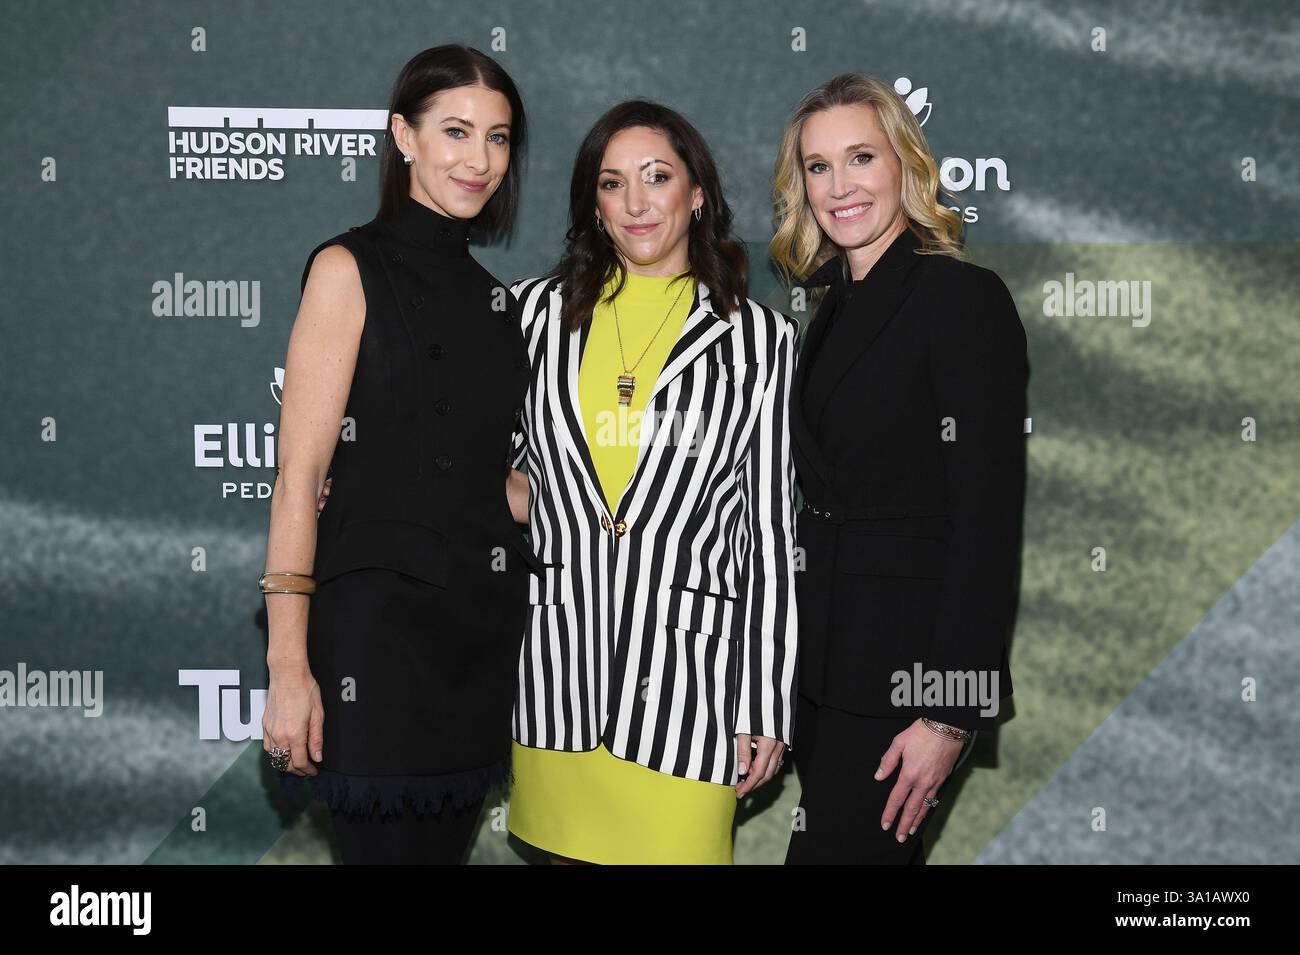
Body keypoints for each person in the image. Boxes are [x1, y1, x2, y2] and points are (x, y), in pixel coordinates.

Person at [503, 100, 799, 864]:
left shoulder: (759, 342)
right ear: (593, 206)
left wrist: (763, 703)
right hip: (555, 688)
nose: (636, 202)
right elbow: (476, 465)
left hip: (688, 702)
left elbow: (767, 534)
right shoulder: (533, 316)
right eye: (612, 183)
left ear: (696, 193)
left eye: (657, 177)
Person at [261, 44, 533, 864]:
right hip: (376, 644)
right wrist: (287, 667)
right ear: (402, 137)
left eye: (498, 136)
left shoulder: (497, 300)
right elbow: (300, 476)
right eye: (455, 130)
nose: (478, 158)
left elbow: (485, 466)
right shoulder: (347, 268)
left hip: (476, 633)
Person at [769, 72, 1027, 864]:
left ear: (905, 166)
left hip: (906, 690)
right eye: (818, 166)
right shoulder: (828, 307)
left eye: (860, 158)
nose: (839, 186)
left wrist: (951, 715)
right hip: (820, 674)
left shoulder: (961, 298)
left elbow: (986, 521)